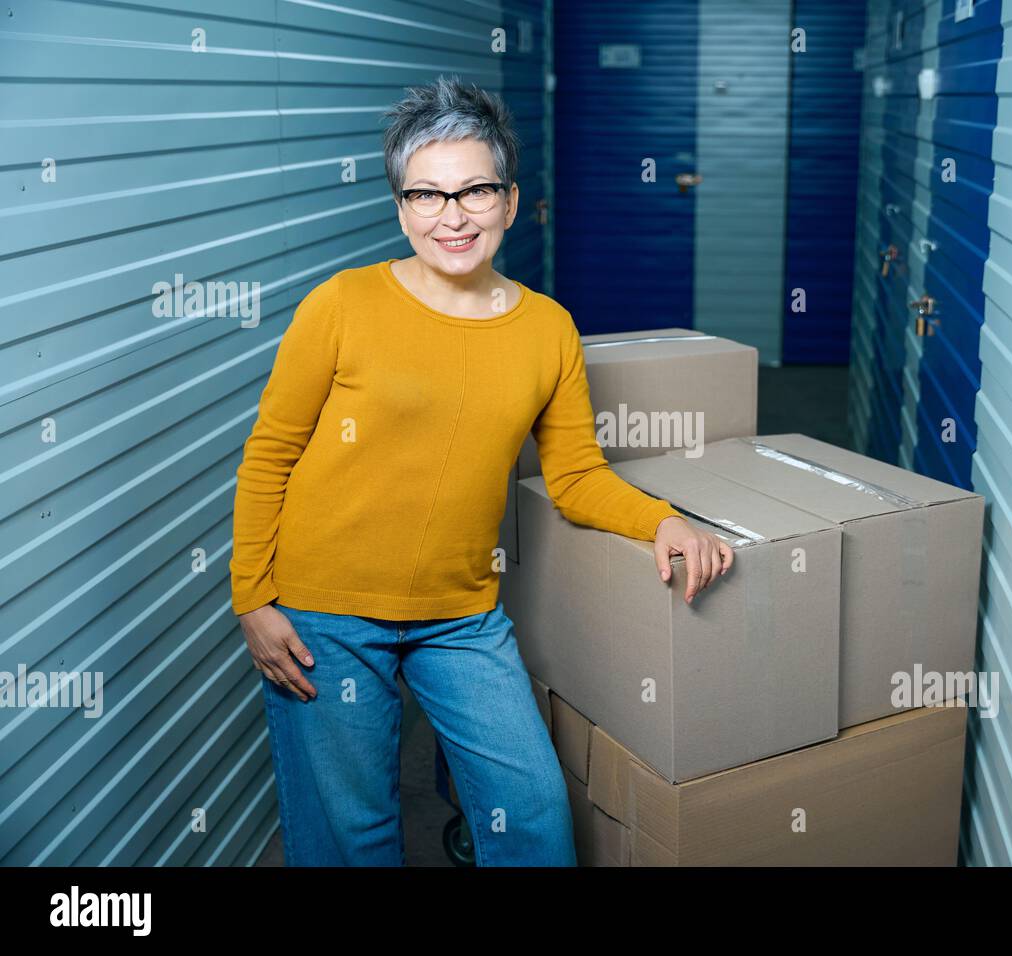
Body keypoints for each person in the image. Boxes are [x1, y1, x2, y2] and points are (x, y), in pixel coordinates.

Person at [229, 75, 733, 867]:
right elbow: (270, 455)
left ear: (511, 199)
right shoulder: (342, 305)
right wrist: (252, 599)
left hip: (459, 616)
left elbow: (575, 477)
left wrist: (661, 518)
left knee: (532, 816)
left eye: (474, 190)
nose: (452, 215)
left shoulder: (546, 329)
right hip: (323, 611)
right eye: (426, 195)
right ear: (400, 208)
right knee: (352, 838)